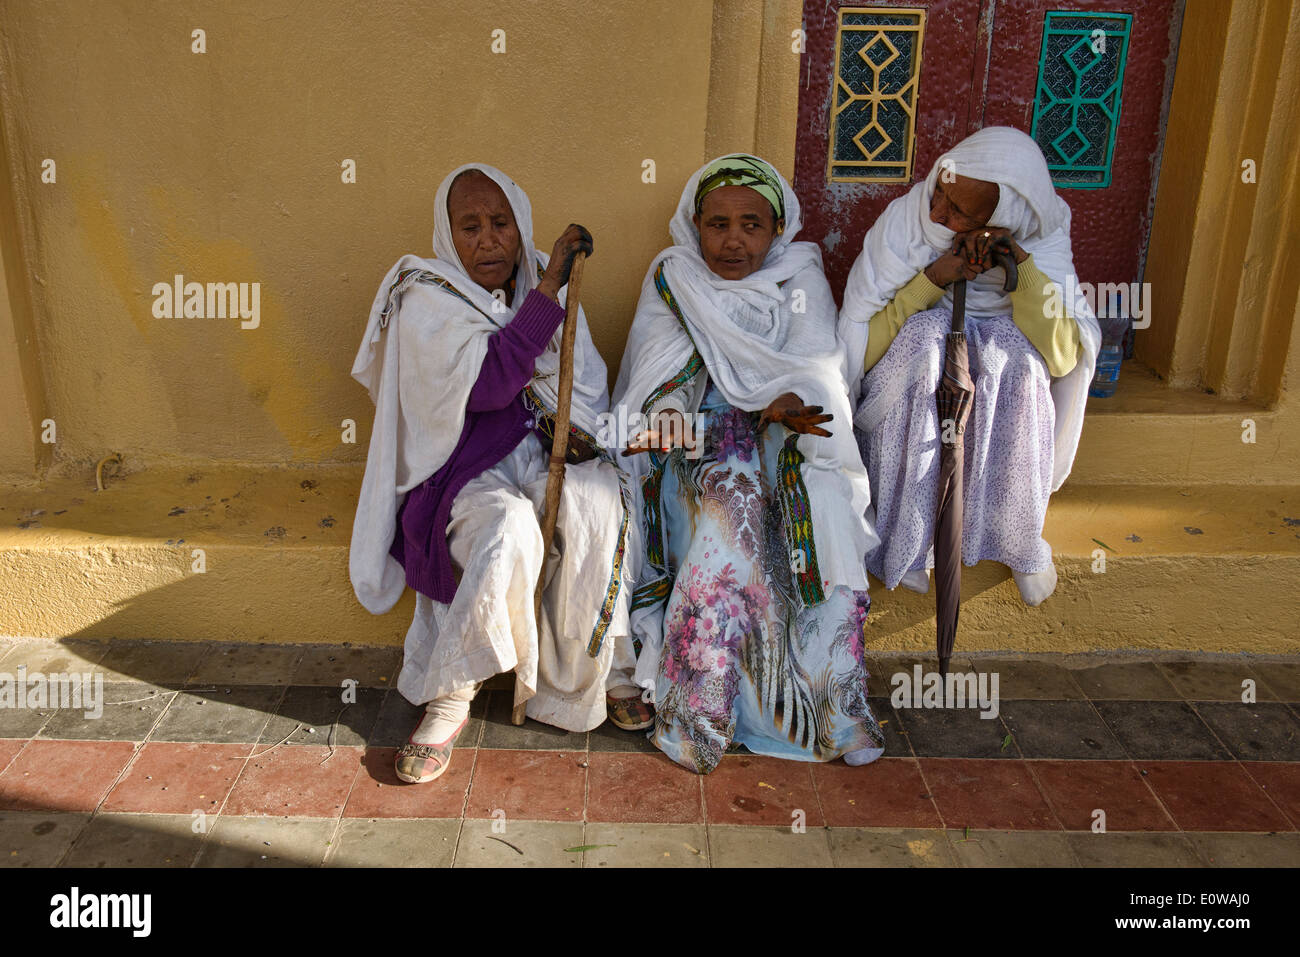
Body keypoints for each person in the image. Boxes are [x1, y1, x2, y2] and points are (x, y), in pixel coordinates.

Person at [349, 164, 642, 785]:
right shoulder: (427, 297)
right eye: (470, 226)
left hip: (546, 453)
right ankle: (451, 693)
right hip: (461, 477)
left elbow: (583, 381)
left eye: (500, 223)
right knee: (510, 528)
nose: (487, 240)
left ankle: (592, 676)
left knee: (599, 503)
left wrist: (579, 436)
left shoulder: (546, 281)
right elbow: (486, 388)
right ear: (447, 233)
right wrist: (548, 294)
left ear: (520, 225)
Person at [614, 154, 886, 775]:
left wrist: (792, 398)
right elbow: (657, 378)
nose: (733, 240)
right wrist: (664, 418)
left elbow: (817, 371)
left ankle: (838, 714)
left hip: (786, 434)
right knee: (730, 507)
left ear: (777, 228)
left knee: (824, 511)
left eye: (751, 224)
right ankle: (699, 716)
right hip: (698, 438)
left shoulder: (801, 277)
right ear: (695, 224)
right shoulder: (675, 276)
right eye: (718, 224)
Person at [837, 127, 1101, 606]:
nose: (937, 212)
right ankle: (908, 543)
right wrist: (933, 279)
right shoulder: (905, 223)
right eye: (941, 191)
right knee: (927, 345)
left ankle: (1015, 538)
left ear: (1004, 217)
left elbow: (1065, 357)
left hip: (994, 391)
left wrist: (1018, 269)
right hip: (910, 383)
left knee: (1013, 359)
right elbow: (860, 343)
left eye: (959, 210)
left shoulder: (1042, 235)